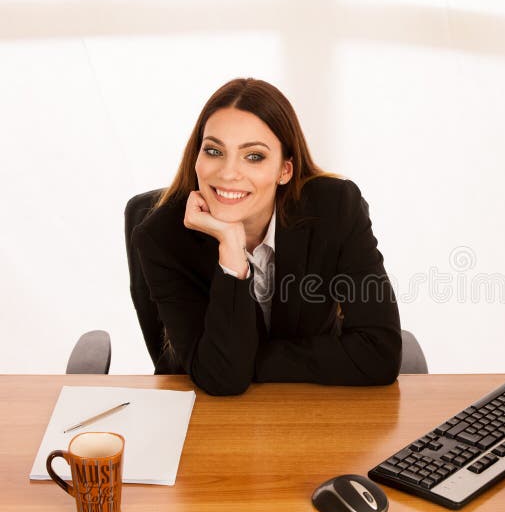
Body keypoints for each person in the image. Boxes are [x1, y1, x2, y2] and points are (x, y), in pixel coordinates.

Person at [132, 78, 401, 395]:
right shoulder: (162, 236)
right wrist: (231, 252)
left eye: (254, 156)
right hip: (202, 414)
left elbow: (379, 352)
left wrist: (249, 361)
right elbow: (222, 380)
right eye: (214, 151)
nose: (229, 172)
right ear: (197, 158)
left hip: (310, 406)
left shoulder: (336, 208)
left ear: (285, 170)